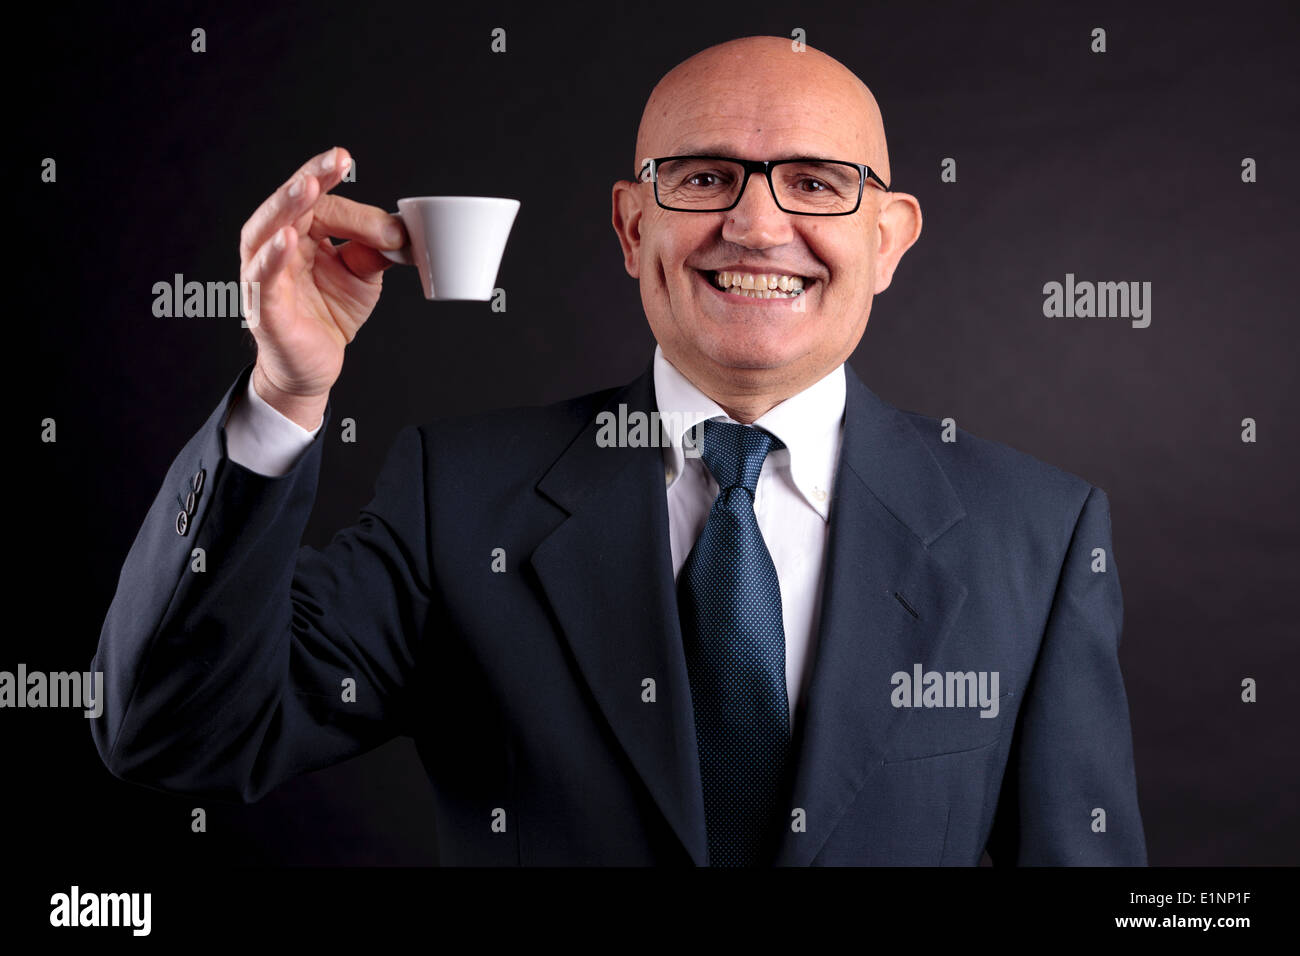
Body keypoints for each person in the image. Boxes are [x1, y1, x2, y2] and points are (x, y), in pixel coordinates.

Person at [91, 35, 1146, 866]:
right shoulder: (458, 498)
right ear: (631, 224)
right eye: (702, 178)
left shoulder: (1037, 532)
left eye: (818, 184)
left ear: (889, 239)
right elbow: (177, 736)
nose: (756, 224)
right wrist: (284, 391)